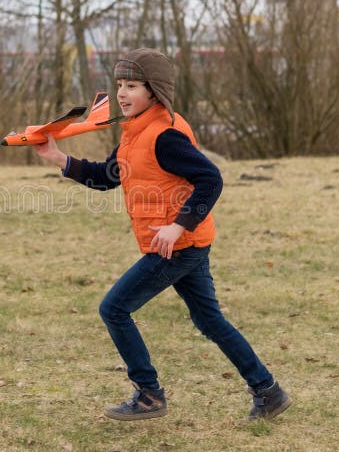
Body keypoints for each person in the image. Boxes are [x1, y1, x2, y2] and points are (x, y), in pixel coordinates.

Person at [32, 48, 291, 422]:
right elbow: (107, 177)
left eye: (132, 86)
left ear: (154, 91)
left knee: (114, 308)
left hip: (176, 245)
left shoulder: (164, 135)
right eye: (120, 84)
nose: (122, 93)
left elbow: (211, 179)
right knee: (209, 321)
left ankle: (149, 394)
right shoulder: (134, 132)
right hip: (185, 243)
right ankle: (268, 391)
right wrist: (58, 158)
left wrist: (178, 225)